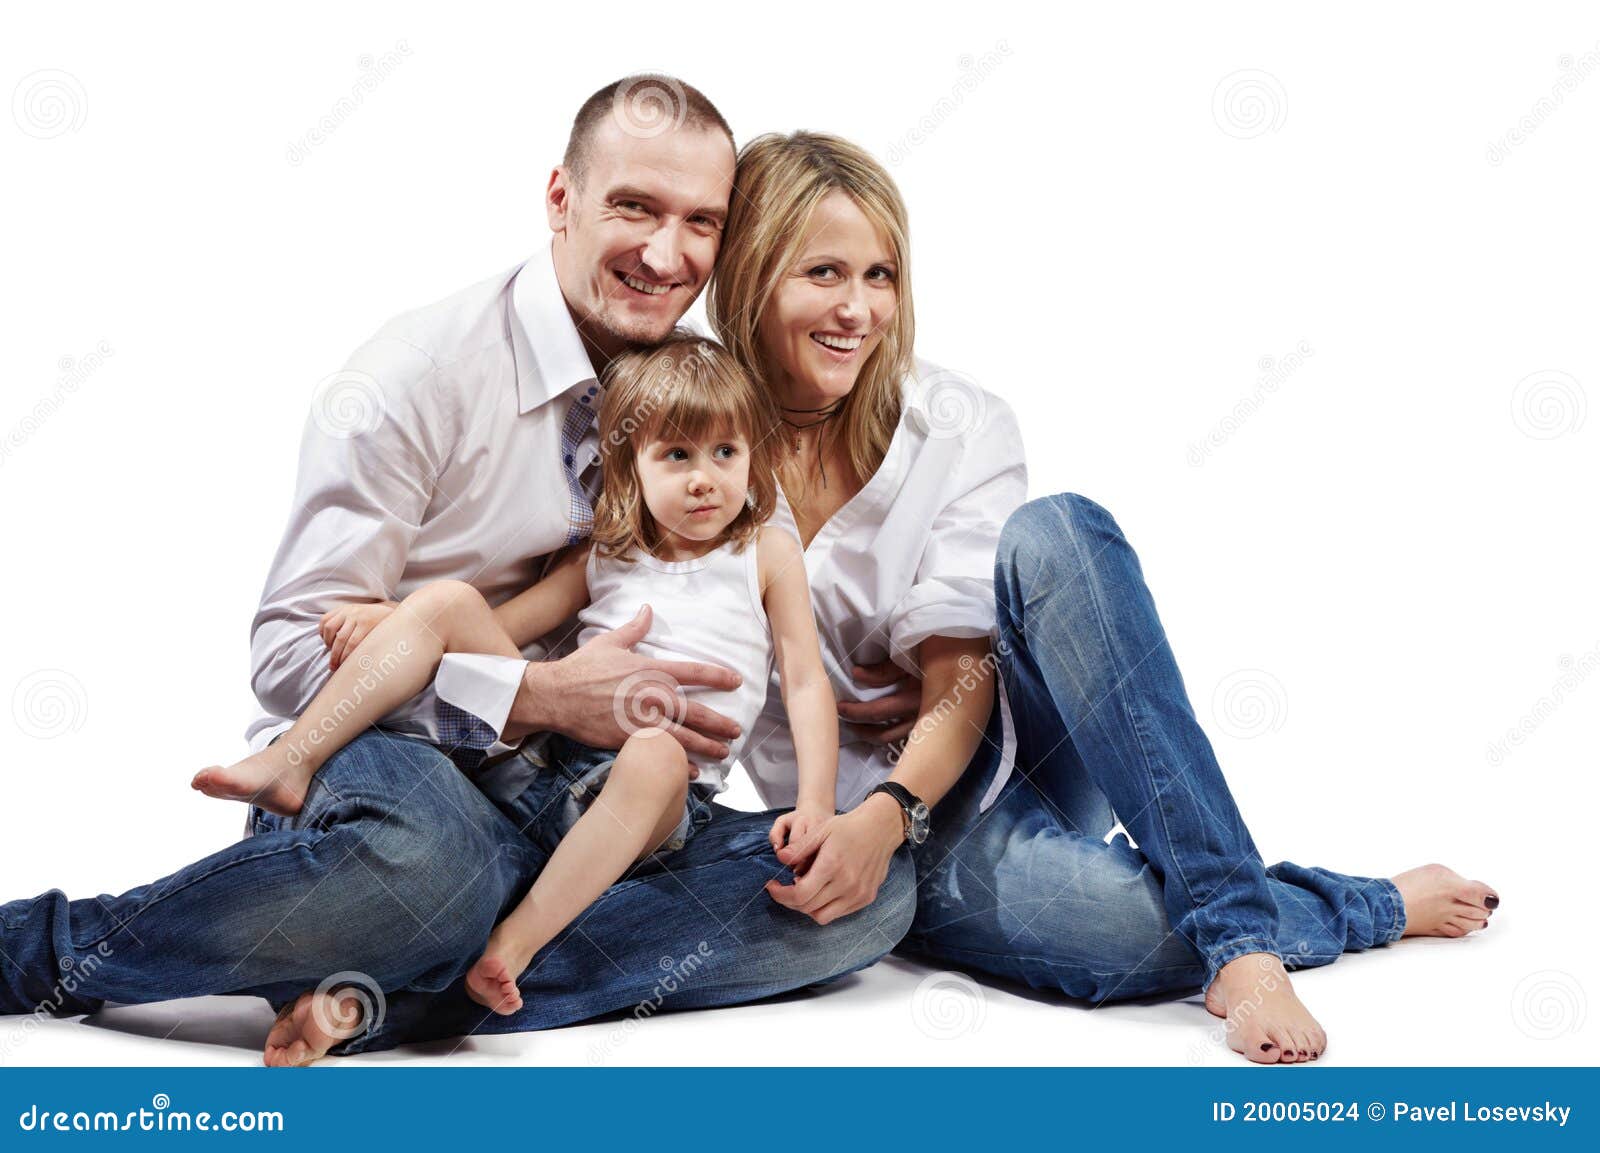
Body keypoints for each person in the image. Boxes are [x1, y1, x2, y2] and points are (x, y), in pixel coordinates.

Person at [355, 130, 1499, 1064]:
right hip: (904, 831)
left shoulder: (959, 423)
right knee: (1113, 938)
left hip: (981, 751)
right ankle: (1352, 899)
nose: (858, 308)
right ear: (751, 279)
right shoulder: (692, 432)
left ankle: (1243, 944)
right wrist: (416, 629)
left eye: (880, 275)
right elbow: (589, 585)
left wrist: (886, 805)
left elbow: (963, 673)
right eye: (822, 273)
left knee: (1062, 528)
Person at [0, 78, 916, 1067]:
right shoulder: (416, 374)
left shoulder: (696, 393)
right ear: (560, 197)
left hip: (595, 800)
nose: (666, 254)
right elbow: (287, 653)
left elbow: (777, 629)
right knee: (429, 869)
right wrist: (537, 693)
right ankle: (39, 950)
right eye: (634, 207)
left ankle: (386, 991)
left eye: (701, 222)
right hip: (406, 761)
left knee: (862, 896)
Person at [189, 336, 838, 1033]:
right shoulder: (605, 555)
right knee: (449, 601)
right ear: (631, 466)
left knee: (658, 756)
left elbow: (805, 681)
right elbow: (491, 632)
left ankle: (511, 945)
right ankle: (294, 758)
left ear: (752, 457)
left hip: (657, 805)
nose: (704, 478)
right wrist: (399, 618)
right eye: (677, 455)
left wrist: (816, 803)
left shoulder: (765, 554)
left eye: (725, 452)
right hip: (550, 767)